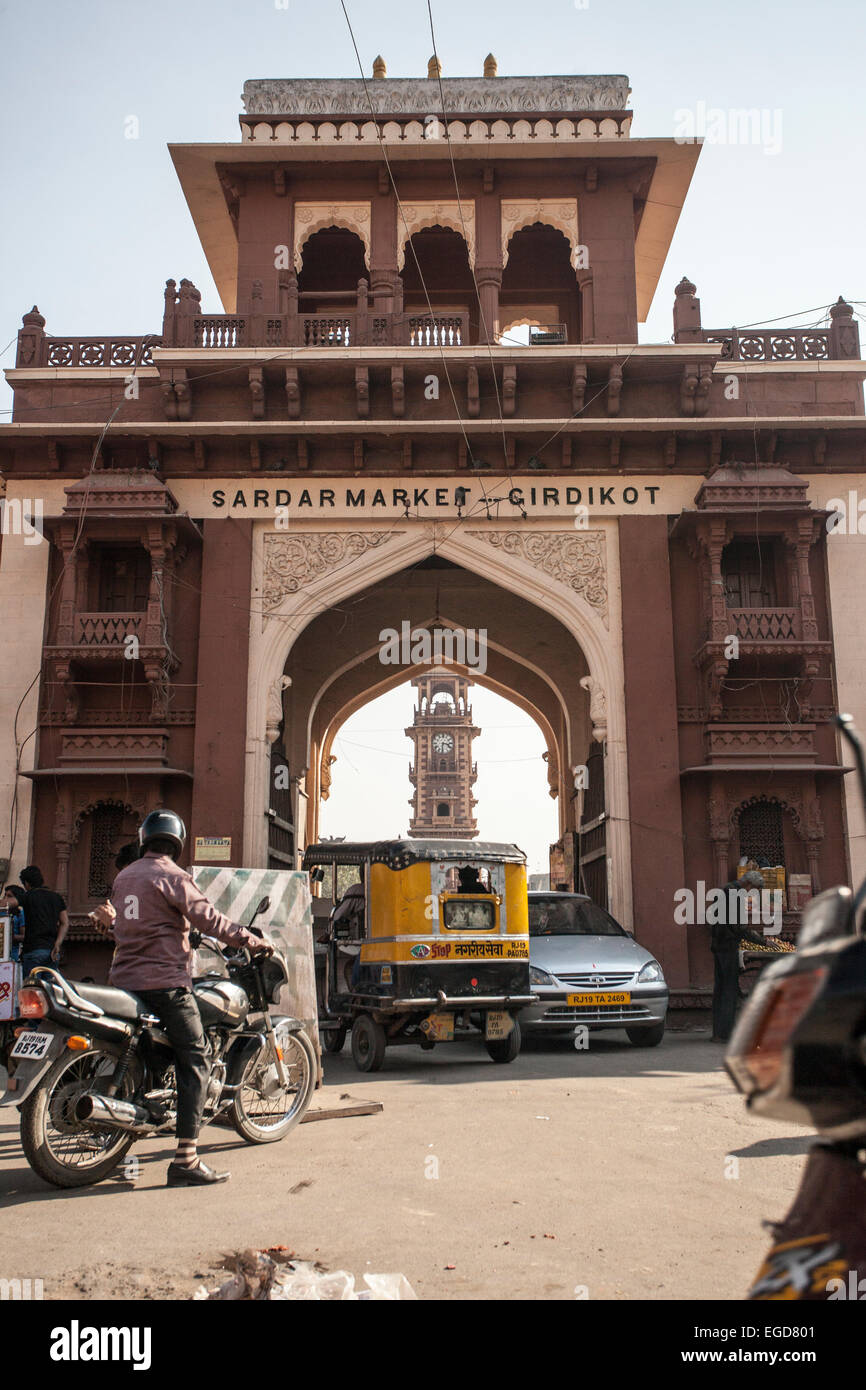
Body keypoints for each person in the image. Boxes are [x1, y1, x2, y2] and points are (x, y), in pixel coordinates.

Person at [90, 809, 273, 1188]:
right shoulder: (173, 876)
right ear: (176, 841)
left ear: (144, 839)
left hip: (124, 982)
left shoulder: (125, 878)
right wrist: (251, 940)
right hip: (165, 985)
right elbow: (211, 921)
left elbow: (128, 927)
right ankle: (186, 1158)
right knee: (196, 1057)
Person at [711, 870, 767, 1043]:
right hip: (728, 947)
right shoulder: (735, 896)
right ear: (749, 885)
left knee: (720, 989)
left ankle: (717, 1033)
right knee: (729, 990)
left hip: (718, 946)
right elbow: (740, 928)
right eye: (753, 890)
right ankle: (725, 1034)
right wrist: (762, 941)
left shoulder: (724, 891)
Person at [19, 866, 68, 978]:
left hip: (33, 950)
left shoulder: (28, 896)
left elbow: (10, 903)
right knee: (49, 991)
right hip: (51, 952)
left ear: (26, 883)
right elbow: (65, 922)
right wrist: (57, 944)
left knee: (32, 990)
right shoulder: (56, 897)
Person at [3, 885, 26, 962]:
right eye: (5, 895)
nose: (6, 898)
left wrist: (8, 936)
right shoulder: (2, 911)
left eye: (9, 896)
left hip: (11, 955)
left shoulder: (20, 913)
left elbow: (24, 936)